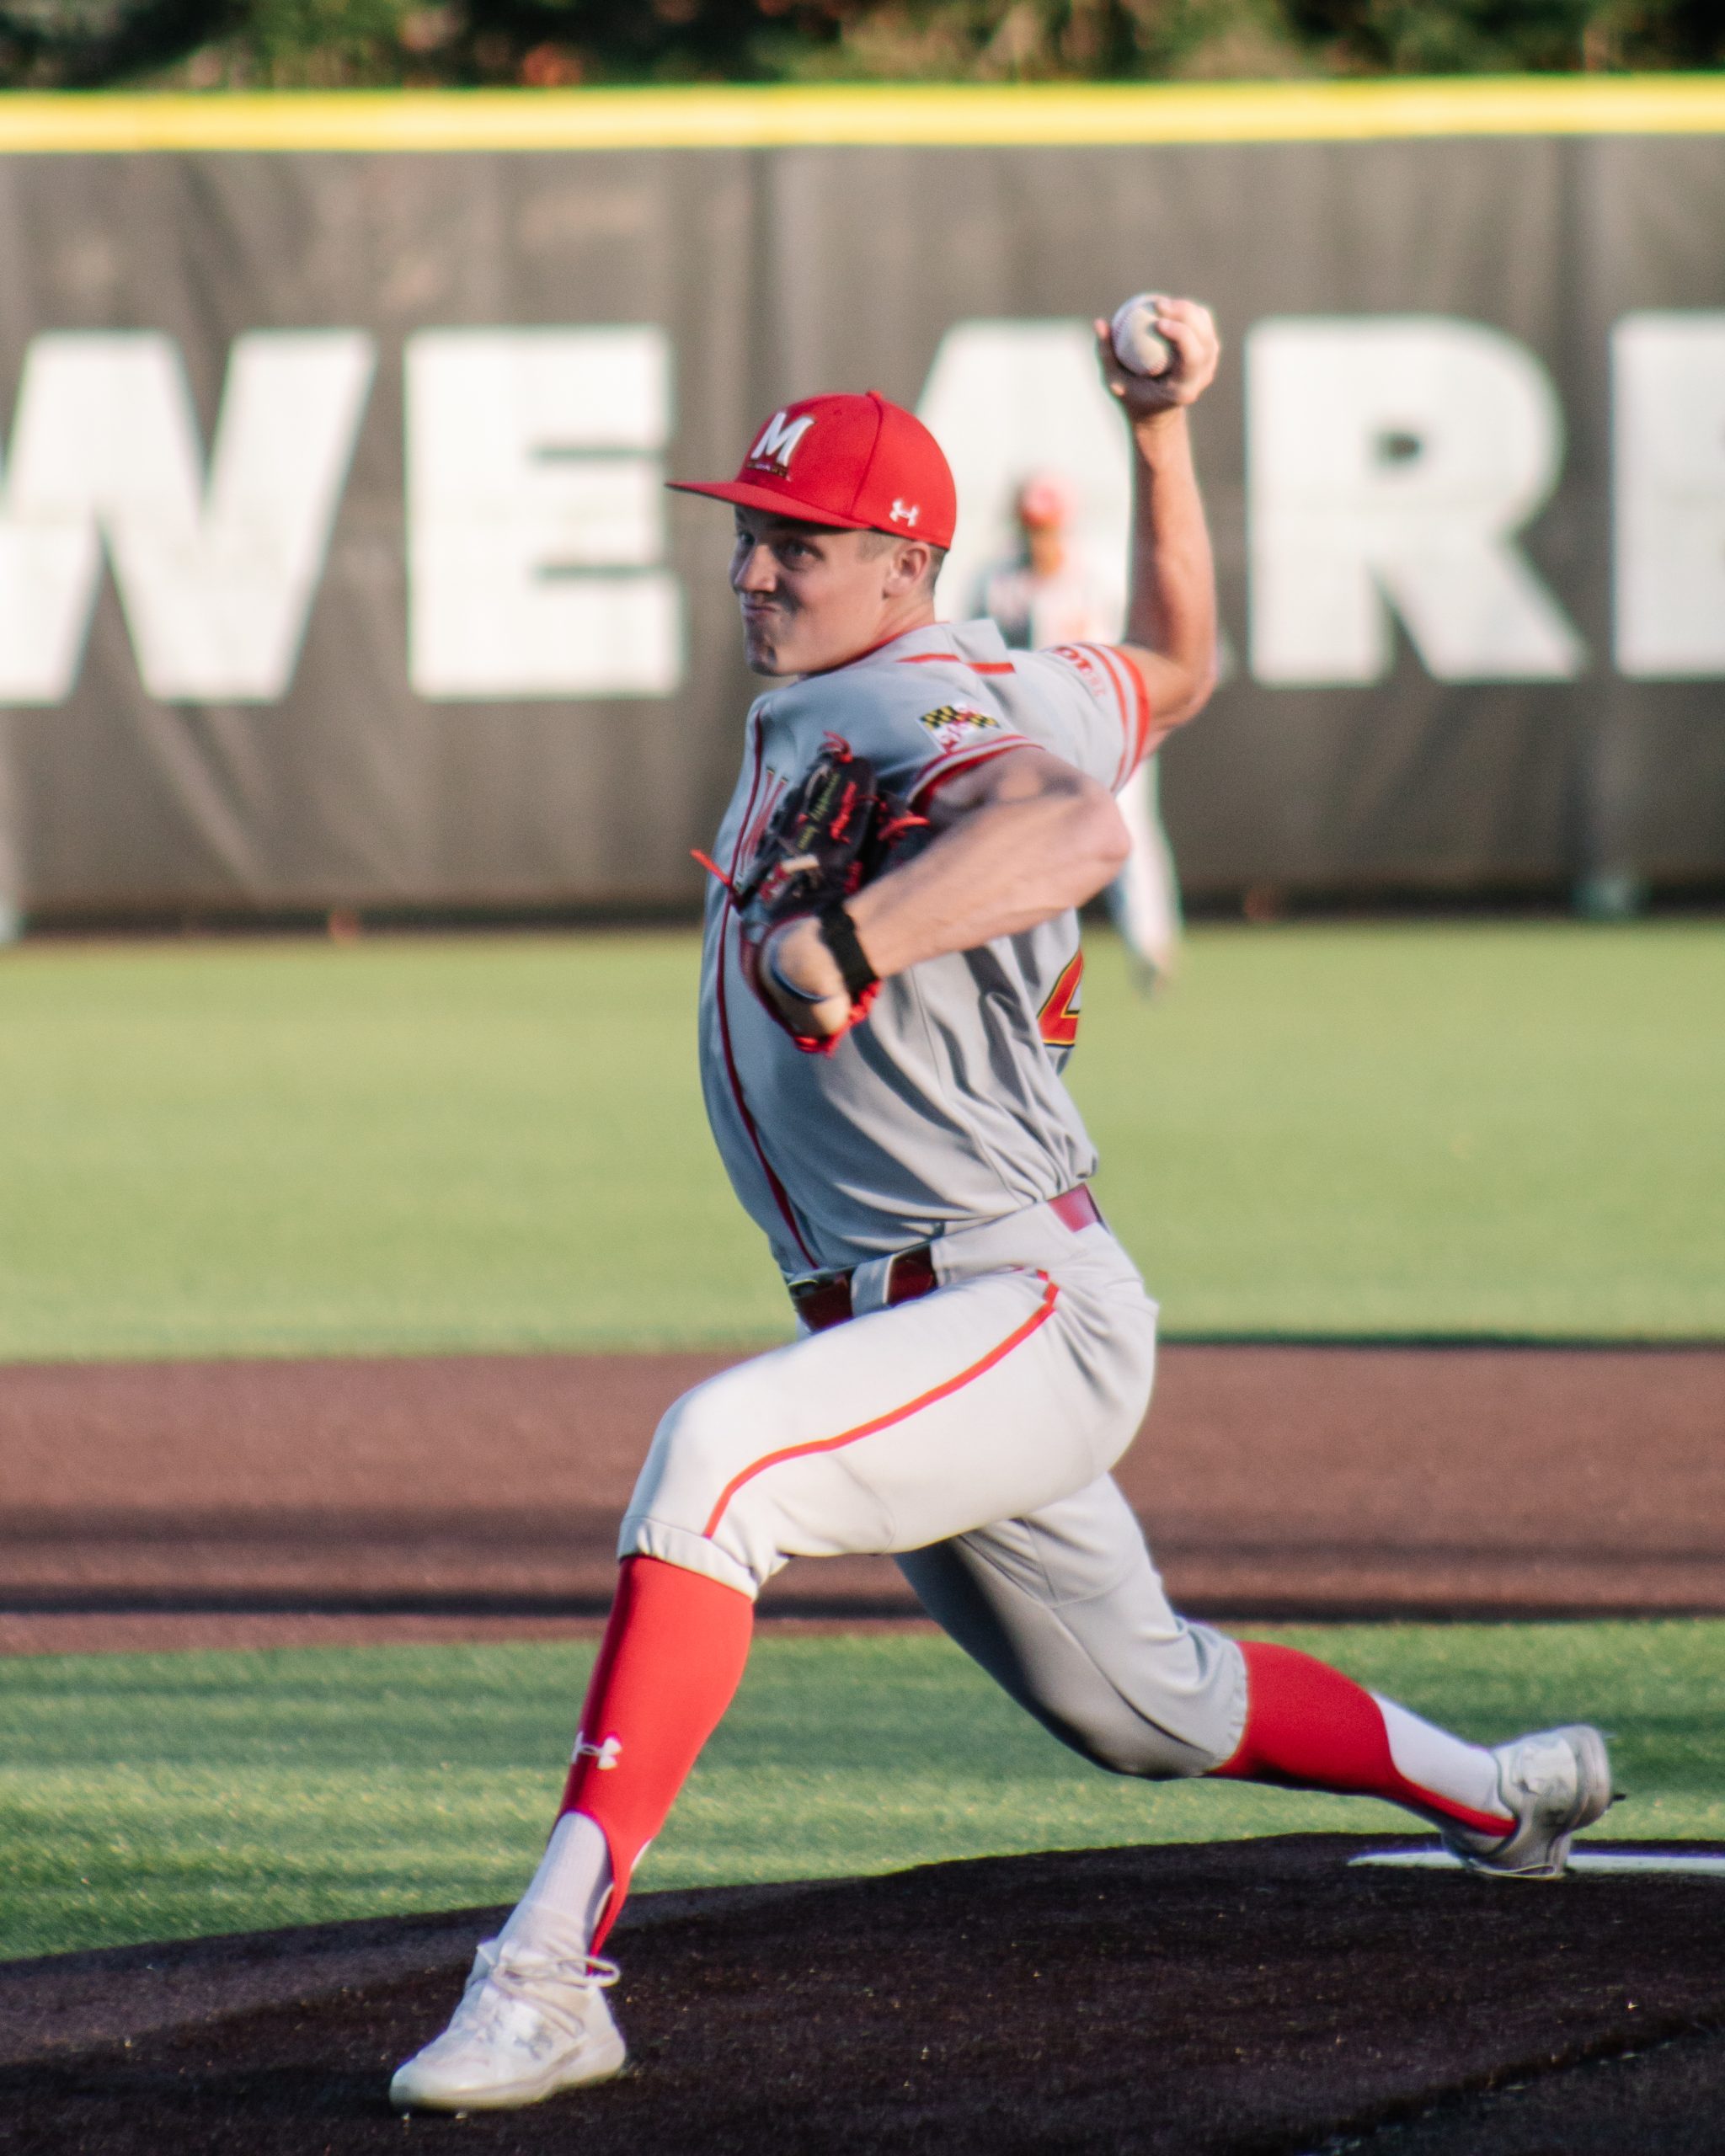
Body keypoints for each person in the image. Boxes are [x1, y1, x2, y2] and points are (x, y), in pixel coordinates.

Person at [390, 301, 1612, 2115]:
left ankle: (551, 1967)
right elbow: (1180, 667)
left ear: (900, 563)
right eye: (746, 528)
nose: (755, 564)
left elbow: (1079, 834)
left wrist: (861, 932)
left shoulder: (908, 698)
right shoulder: (992, 677)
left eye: (796, 540)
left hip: (1011, 1300)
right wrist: (1162, 428)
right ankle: (1499, 1791)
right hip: (933, 1322)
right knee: (1148, 1703)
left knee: (715, 1461)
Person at [977, 470, 1183, 990]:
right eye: (1031, 527)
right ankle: (1019, 958)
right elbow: (970, 654)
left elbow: (1147, 646)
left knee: (1130, 832)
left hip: (1109, 726)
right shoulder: (998, 582)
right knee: (1021, 838)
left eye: (1046, 528)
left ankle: (1153, 948)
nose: (1038, 539)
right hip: (1033, 733)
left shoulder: (1101, 577)